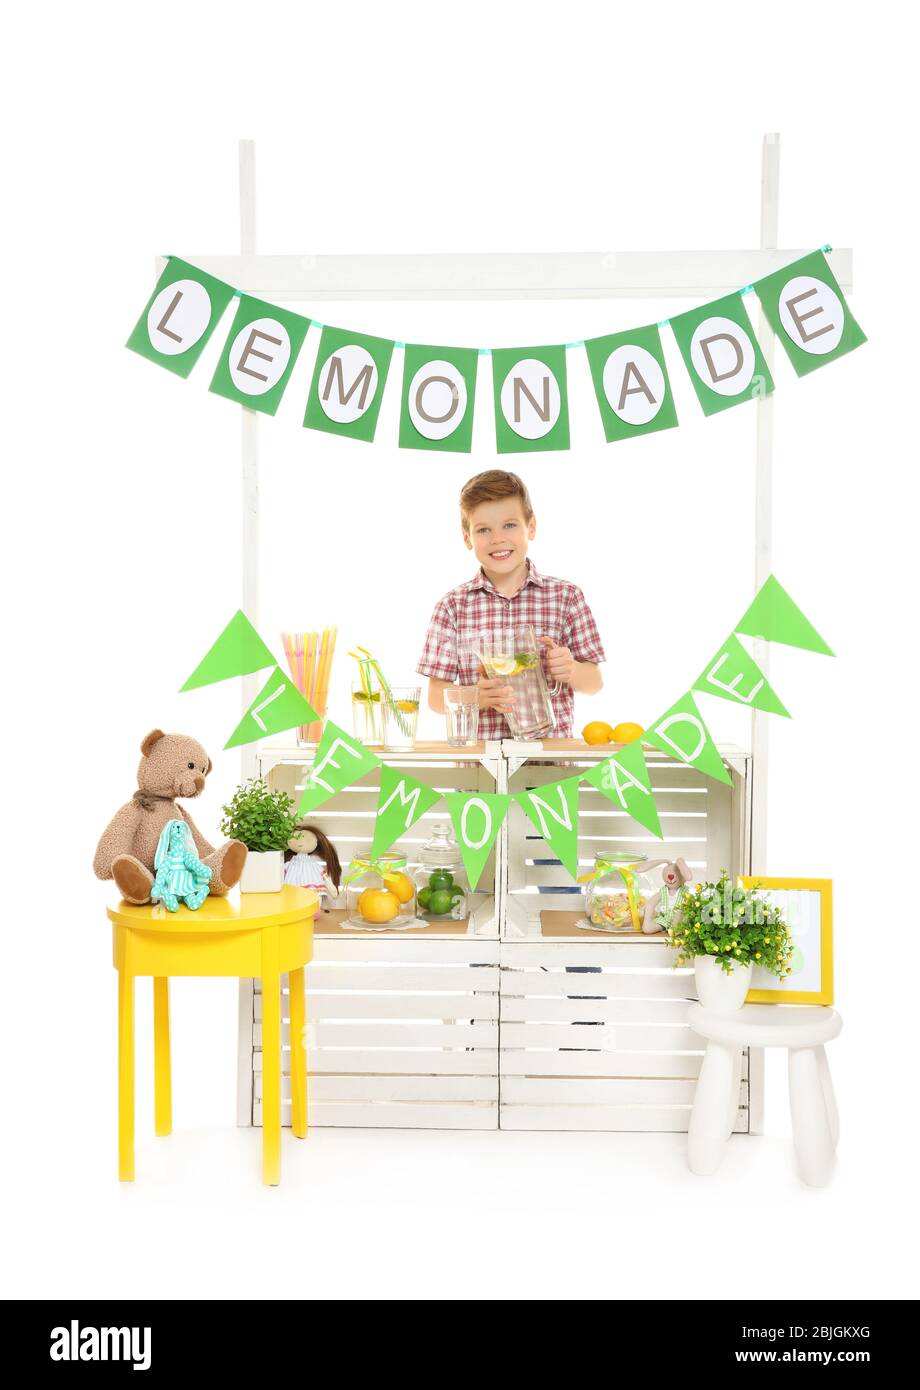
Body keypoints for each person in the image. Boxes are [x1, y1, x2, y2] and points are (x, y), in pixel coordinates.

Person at [417, 469, 605, 739]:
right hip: (479, 771)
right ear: (467, 538)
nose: (497, 539)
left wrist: (571, 669)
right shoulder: (452, 607)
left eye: (509, 525)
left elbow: (595, 682)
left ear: (531, 527)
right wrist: (474, 696)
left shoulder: (566, 597)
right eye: (483, 529)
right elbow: (435, 697)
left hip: (551, 767)